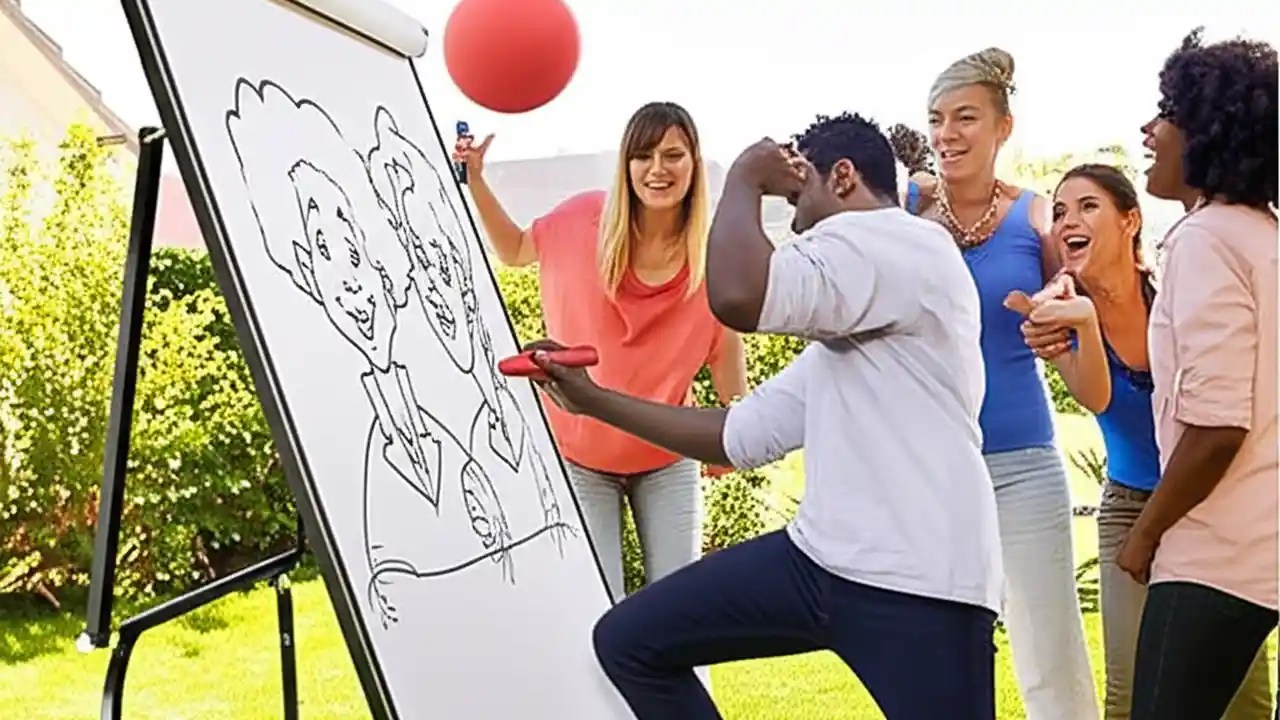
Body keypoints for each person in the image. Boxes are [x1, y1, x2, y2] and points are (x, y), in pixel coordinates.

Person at [524, 112, 1004, 719]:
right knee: (629, 641)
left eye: (798, 197)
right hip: (821, 563)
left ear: (844, 178)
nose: (794, 221)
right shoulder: (847, 341)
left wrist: (746, 178)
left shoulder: (899, 245)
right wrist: (592, 399)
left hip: (921, 584)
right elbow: (734, 436)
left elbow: (738, 297)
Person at [452, 101, 748, 605]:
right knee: (600, 610)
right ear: (625, 166)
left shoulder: (711, 259)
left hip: (665, 456)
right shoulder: (580, 219)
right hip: (580, 457)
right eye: (643, 155)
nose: (658, 169)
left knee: (684, 611)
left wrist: (736, 431)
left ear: (694, 164)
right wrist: (476, 180)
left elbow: (726, 353)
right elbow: (515, 250)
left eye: (674, 155)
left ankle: (687, 689)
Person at [1009, 164, 1273, 719]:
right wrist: (1079, 325)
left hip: (1212, 506)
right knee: (1130, 697)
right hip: (1131, 508)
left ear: (1131, 220)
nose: (1068, 221)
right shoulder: (1061, 312)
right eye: (1059, 211)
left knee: (1242, 703)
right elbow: (1097, 398)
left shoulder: (1180, 285)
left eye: (1087, 206)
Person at [889, 47, 1099, 720]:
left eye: (966, 117)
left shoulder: (1037, 217)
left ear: (1003, 127)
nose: (947, 133)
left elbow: (1074, 290)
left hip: (1022, 462)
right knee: (933, 653)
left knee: (1049, 658)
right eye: (937, 118)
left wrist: (1060, 301)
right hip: (928, 467)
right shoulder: (905, 218)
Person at [1122, 28, 1277, 719]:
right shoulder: (1265, 237)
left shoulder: (1206, 240)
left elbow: (1218, 426)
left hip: (1214, 558)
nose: (1149, 129)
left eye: (1167, 113)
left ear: (1212, 128)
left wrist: (1145, 533)